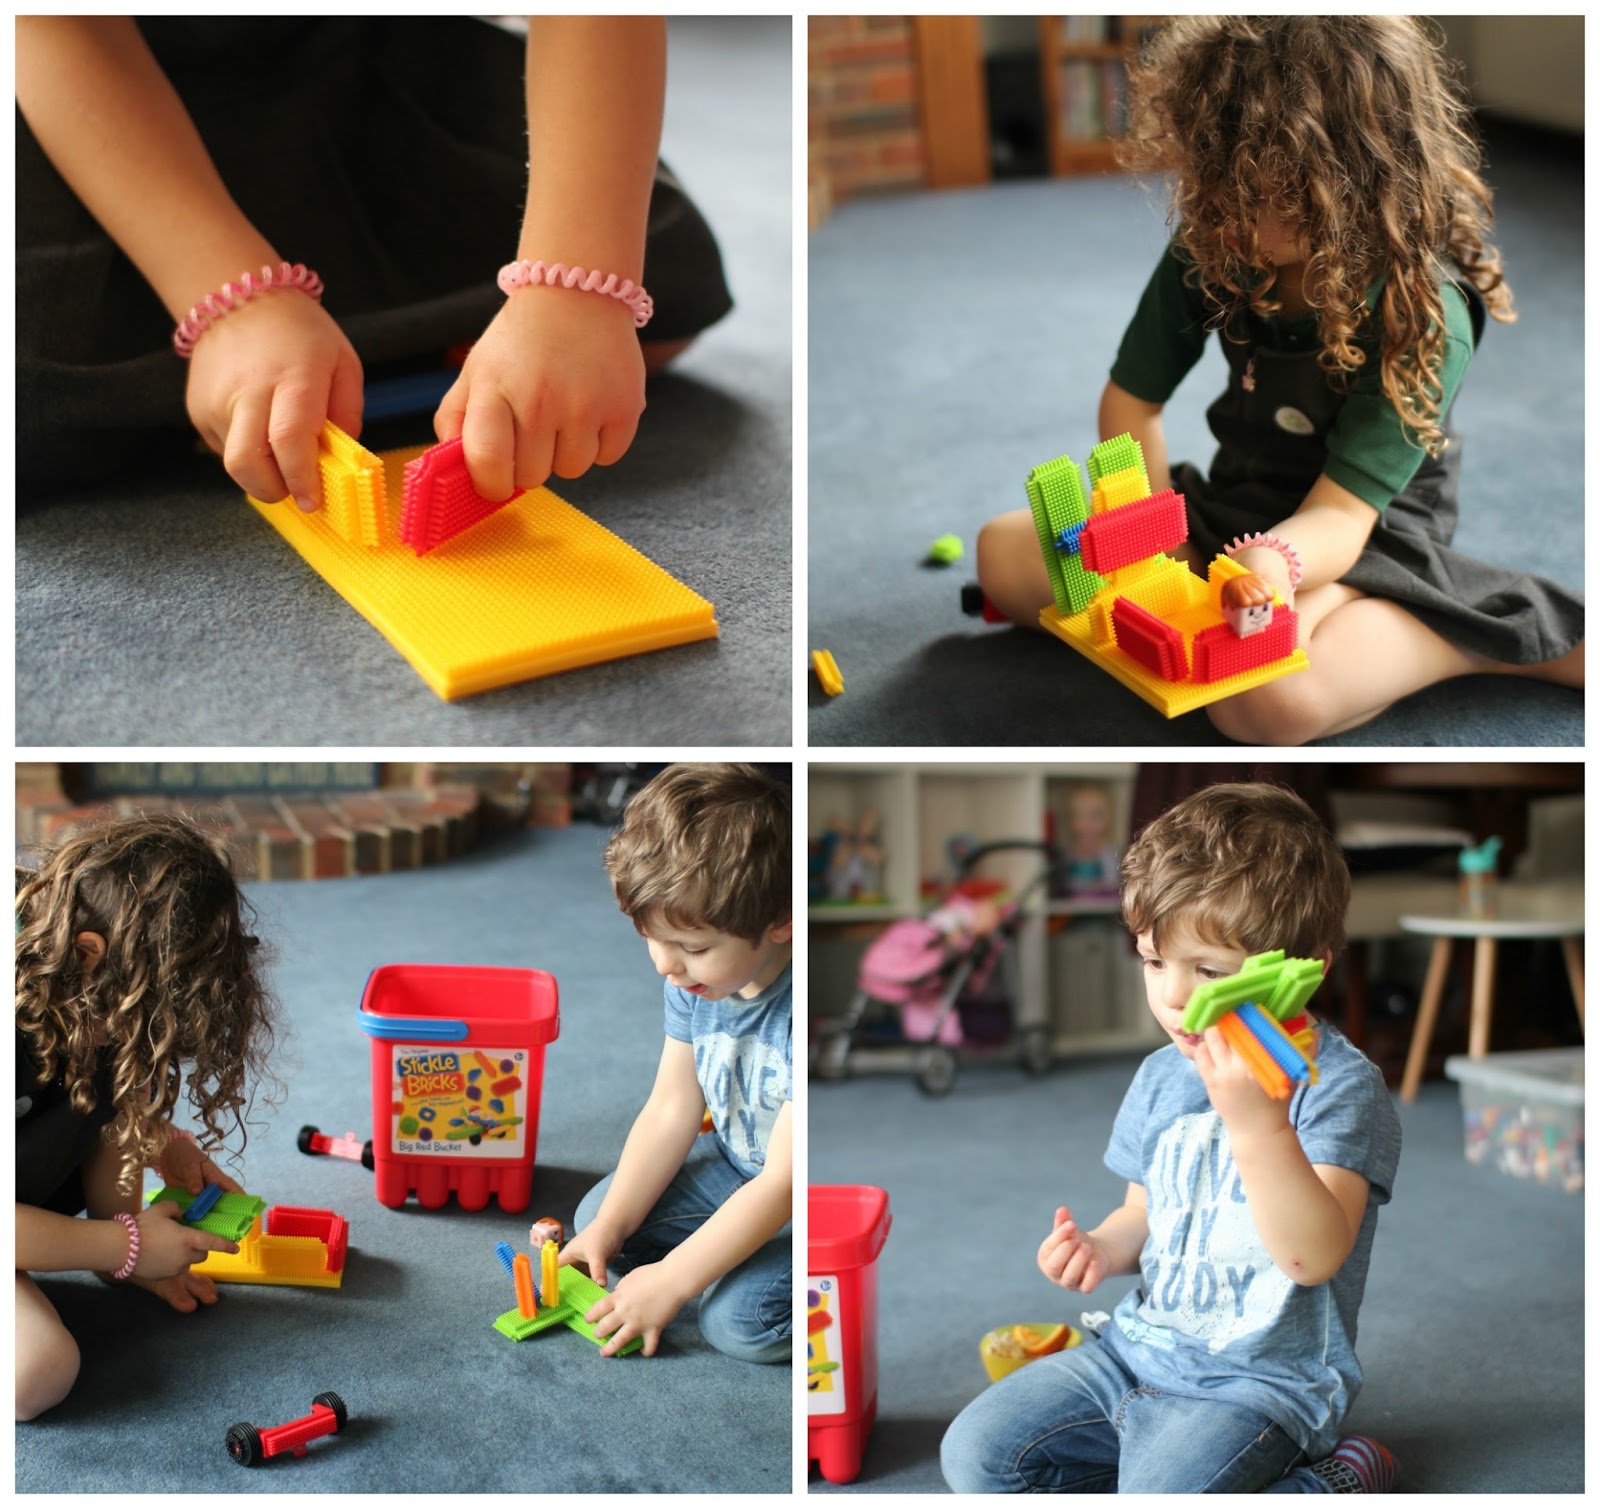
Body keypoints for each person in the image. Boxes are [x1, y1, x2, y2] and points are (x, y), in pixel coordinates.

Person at [975, 16, 1583, 744]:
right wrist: (1155, 547)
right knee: (1001, 557)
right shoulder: (1222, 237)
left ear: (1348, 181)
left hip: (1360, 541)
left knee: (1262, 703)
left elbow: (1340, 519)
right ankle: (1265, 601)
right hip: (1237, 511)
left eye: (1253, 188)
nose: (1216, 206)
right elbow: (1132, 402)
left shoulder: (1424, 315)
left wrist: (1275, 565)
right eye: (1209, 173)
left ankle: (1471, 638)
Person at [16, 17, 731, 506]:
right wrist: (231, 299)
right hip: (102, 109)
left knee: (667, 278)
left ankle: (304, 381)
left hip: (362, 67)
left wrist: (573, 291)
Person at [941, 782, 1403, 1493]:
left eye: (1210, 971)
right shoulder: (1163, 1074)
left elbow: (1313, 1256)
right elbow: (1144, 1213)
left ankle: (1332, 1478)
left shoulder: (1341, 1086)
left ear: (1305, 971)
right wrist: (1100, 1244)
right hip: (1135, 1353)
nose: (1175, 996)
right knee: (975, 1454)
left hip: (1259, 1386)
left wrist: (1260, 1124)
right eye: (1155, 960)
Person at [16, 815, 281, 1421]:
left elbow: (109, 1094)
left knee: (116, 1066)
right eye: (143, 1020)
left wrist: (161, 1139)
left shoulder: (77, 967)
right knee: (36, 1372)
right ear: (87, 953)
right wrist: (124, 1244)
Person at [560, 764, 792, 1362]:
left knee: (740, 1323)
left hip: (805, 1197)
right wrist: (610, 1229)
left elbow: (786, 1184)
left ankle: (755, 1270)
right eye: (651, 939)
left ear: (781, 924)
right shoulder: (693, 981)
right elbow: (671, 1108)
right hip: (740, 1163)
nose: (666, 965)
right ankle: (722, 1255)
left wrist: (673, 1280)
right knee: (599, 1219)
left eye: (692, 948)